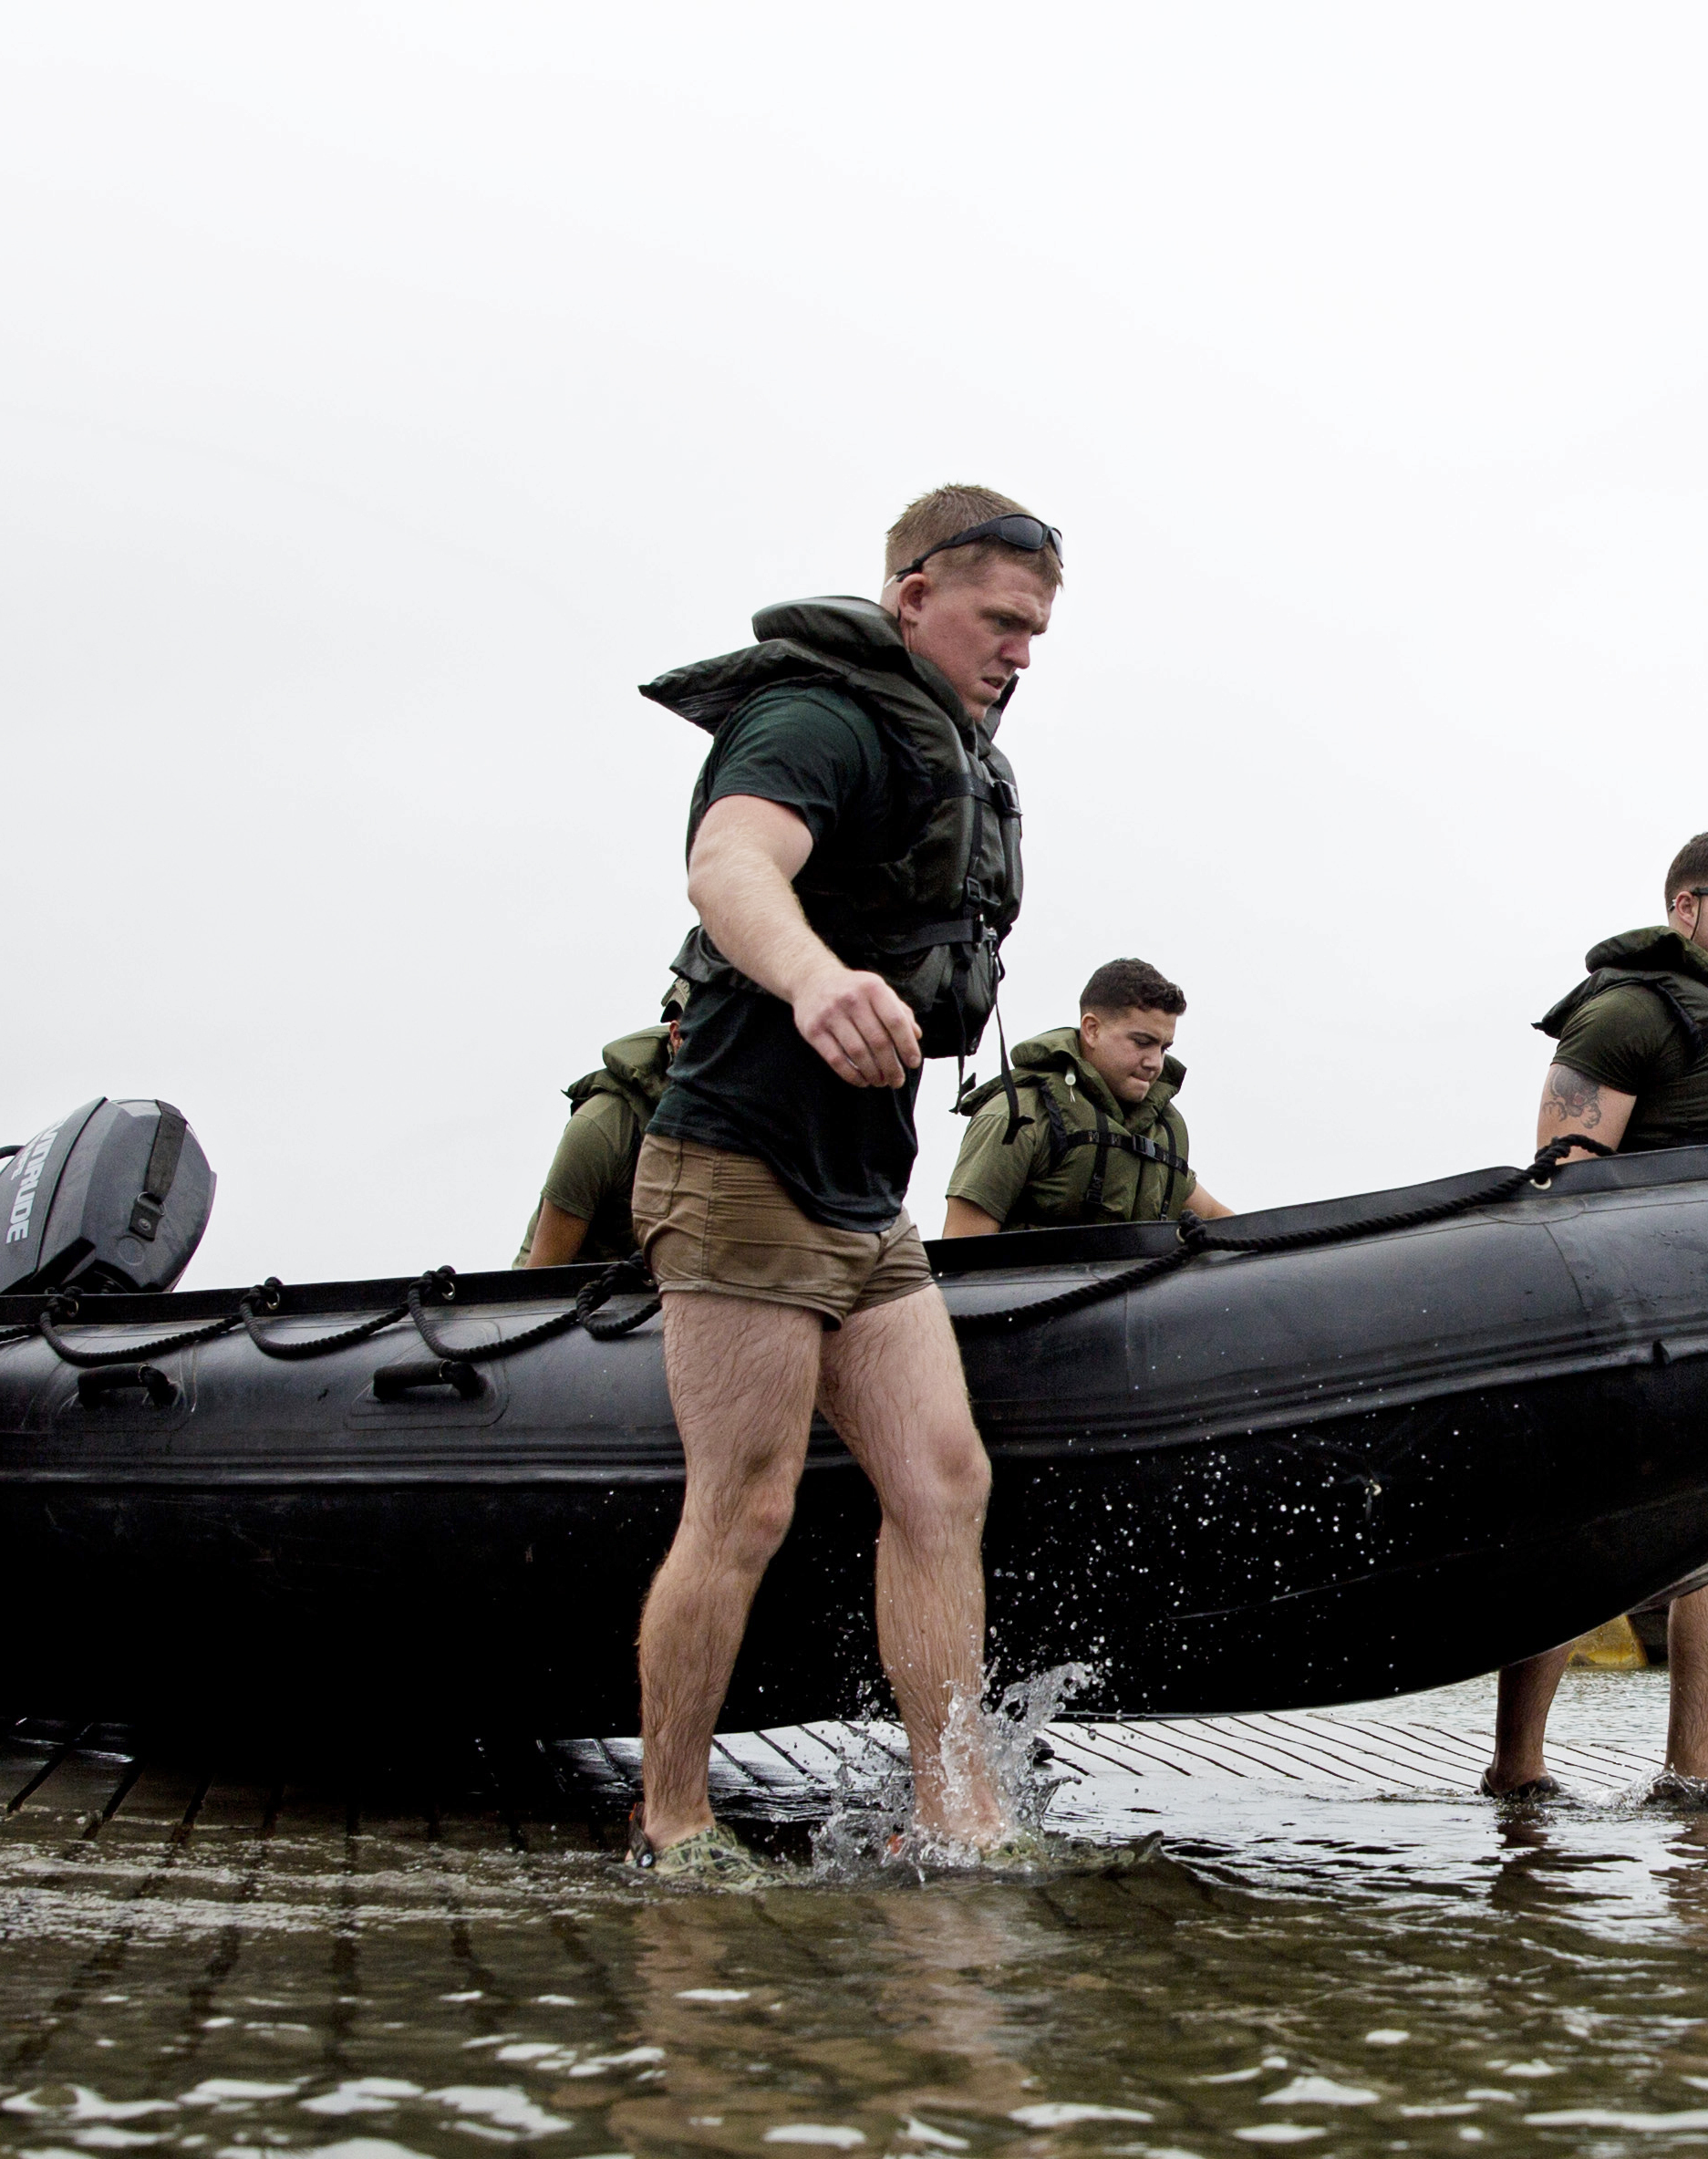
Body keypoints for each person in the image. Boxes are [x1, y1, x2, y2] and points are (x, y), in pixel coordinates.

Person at [624, 487, 1056, 1877]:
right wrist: (812, 976)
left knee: (943, 1479)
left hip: (866, 1191)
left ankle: (956, 1810)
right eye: (999, 620)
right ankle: (675, 1821)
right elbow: (728, 861)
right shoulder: (815, 719)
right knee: (743, 1502)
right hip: (742, 1159)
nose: (1021, 653)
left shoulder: (961, 754)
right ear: (912, 594)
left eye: (1039, 630)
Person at [1481, 830, 1708, 1801]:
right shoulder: (1627, 1013)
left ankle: (1695, 1773)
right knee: (1576, 1534)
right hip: (1633, 1319)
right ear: (1685, 906)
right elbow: (1565, 1171)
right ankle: (1519, 1768)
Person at [937, 959, 1233, 1236]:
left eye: (1164, 1048)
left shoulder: (1161, 1129)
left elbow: (1216, 1216)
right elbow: (961, 1250)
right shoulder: (1019, 1118)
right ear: (1092, 1030)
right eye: (1142, 1042)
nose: (1155, 1062)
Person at [511, 981, 688, 1271]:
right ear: (676, 1035)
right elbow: (538, 1287)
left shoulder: (764, 1115)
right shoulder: (604, 1128)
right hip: (586, 1304)